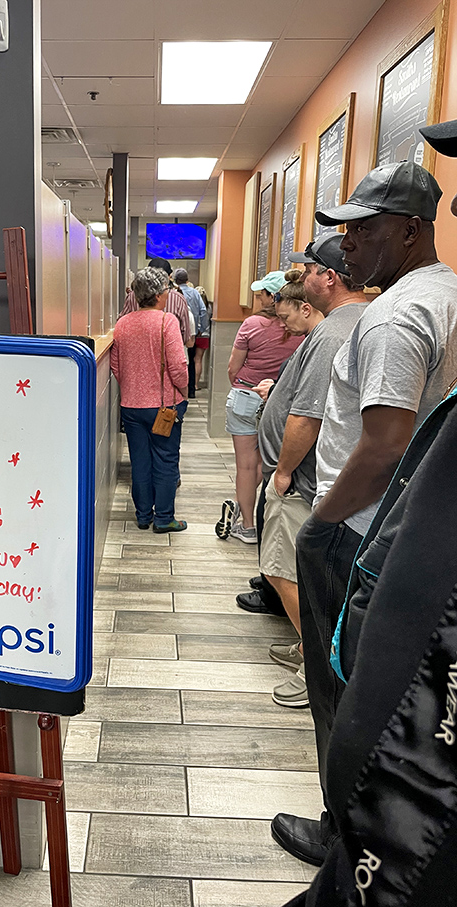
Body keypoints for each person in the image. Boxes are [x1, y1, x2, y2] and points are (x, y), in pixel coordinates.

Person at [282, 120, 457, 907]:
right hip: (416, 537)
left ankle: (339, 832)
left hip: (364, 537)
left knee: (342, 694)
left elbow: (384, 444)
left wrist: (321, 521)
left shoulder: (390, 319)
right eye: (341, 230)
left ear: (411, 229)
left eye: (363, 229)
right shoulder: (447, 292)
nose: (344, 245)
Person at [256, 240, 367, 709]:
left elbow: (308, 415)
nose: (301, 278)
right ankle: (310, 649)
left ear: (330, 278)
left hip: (301, 481)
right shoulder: (346, 325)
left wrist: (281, 473)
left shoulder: (334, 334)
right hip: (315, 480)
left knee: (284, 572)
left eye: (309, 270)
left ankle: (317, 665)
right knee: (301, 573)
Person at [219, 271, 302, 543]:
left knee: (245, 467)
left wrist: (243, 384)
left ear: (272, 296)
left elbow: (233, 367)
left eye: (262, 294)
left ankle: (246, 526)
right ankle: (267, 523)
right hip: (281, 401)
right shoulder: (301, 328)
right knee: (269, 467)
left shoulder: (252, 324)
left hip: (246, 395)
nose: (258, 299)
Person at [111, 267, 188, 533]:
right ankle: (164, 518)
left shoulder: (122, 324)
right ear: (157, 295)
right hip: (163, 406)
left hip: (131, 406)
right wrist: (183, 389)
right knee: (165, 461)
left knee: (140, 462)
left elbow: (116, 366)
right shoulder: (167, 322)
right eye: (165, 291)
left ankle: (143, 515)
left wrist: (132, 387)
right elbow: (178, 365)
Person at [118, 257, 193, 347]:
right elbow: (185, 336)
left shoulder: (132, 296)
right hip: (168, 354)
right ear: (169, 277)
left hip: (136, 351)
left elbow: (120, 328)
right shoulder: (179, 299)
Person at [173, 268, 209, 397]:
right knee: (192, 361)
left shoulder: (174, 293)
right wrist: (201, 328)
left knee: (177, 361)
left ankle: (178, 390)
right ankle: (191, 390)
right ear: (187, 280)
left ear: (175, 280)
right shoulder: (194, 293)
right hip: (192, 333)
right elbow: (203, 310)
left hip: (176, 332)